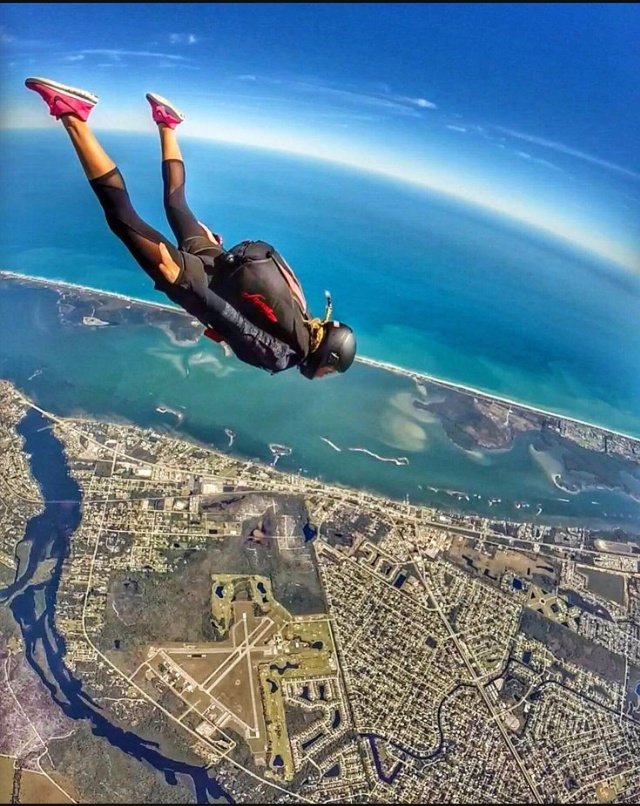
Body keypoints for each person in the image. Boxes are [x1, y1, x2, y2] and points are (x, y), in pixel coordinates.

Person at [24, 77, 357, 379]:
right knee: (122, 218)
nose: (324, 374)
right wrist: (186, 284)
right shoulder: (283, 356)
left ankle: (167, 123)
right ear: (327, 354)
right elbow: (235, 324)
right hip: (197, 281)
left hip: (218, 260)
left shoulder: (302, 315)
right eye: (330, 369)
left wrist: (218, 254)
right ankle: (73, 115)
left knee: (176, 204)